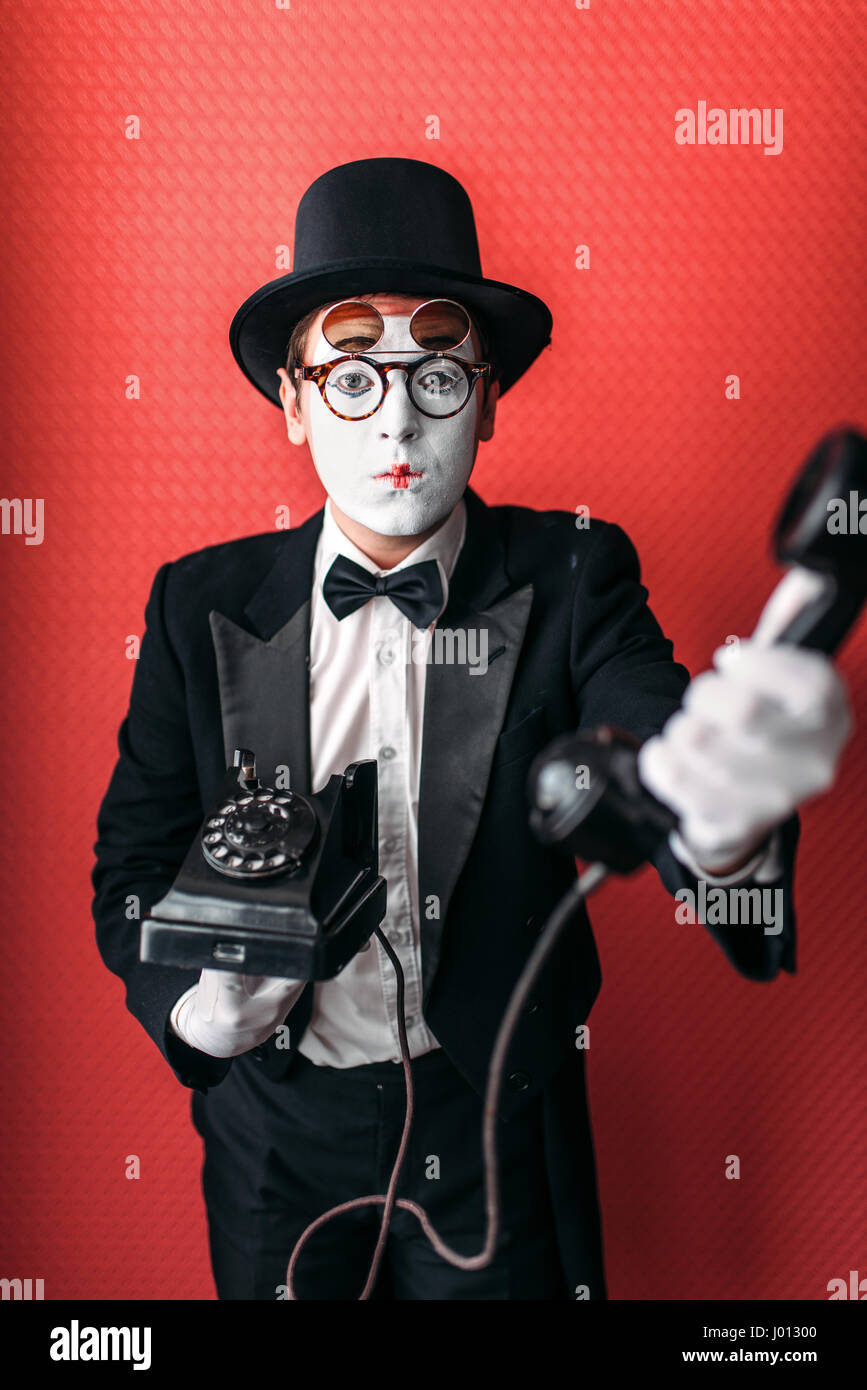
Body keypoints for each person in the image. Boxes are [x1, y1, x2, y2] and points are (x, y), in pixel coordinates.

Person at [91, 156, 852, 1301]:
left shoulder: (581, 571)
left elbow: (648, 733)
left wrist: (722, 815)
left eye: (437, 374)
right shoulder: (194, 602)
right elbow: (131, 870)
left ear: (488, 398)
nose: (396, 415)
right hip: (273, 1140)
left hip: (494, 1132)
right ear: (292, 403)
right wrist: (202, 1014)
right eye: (352, 377)